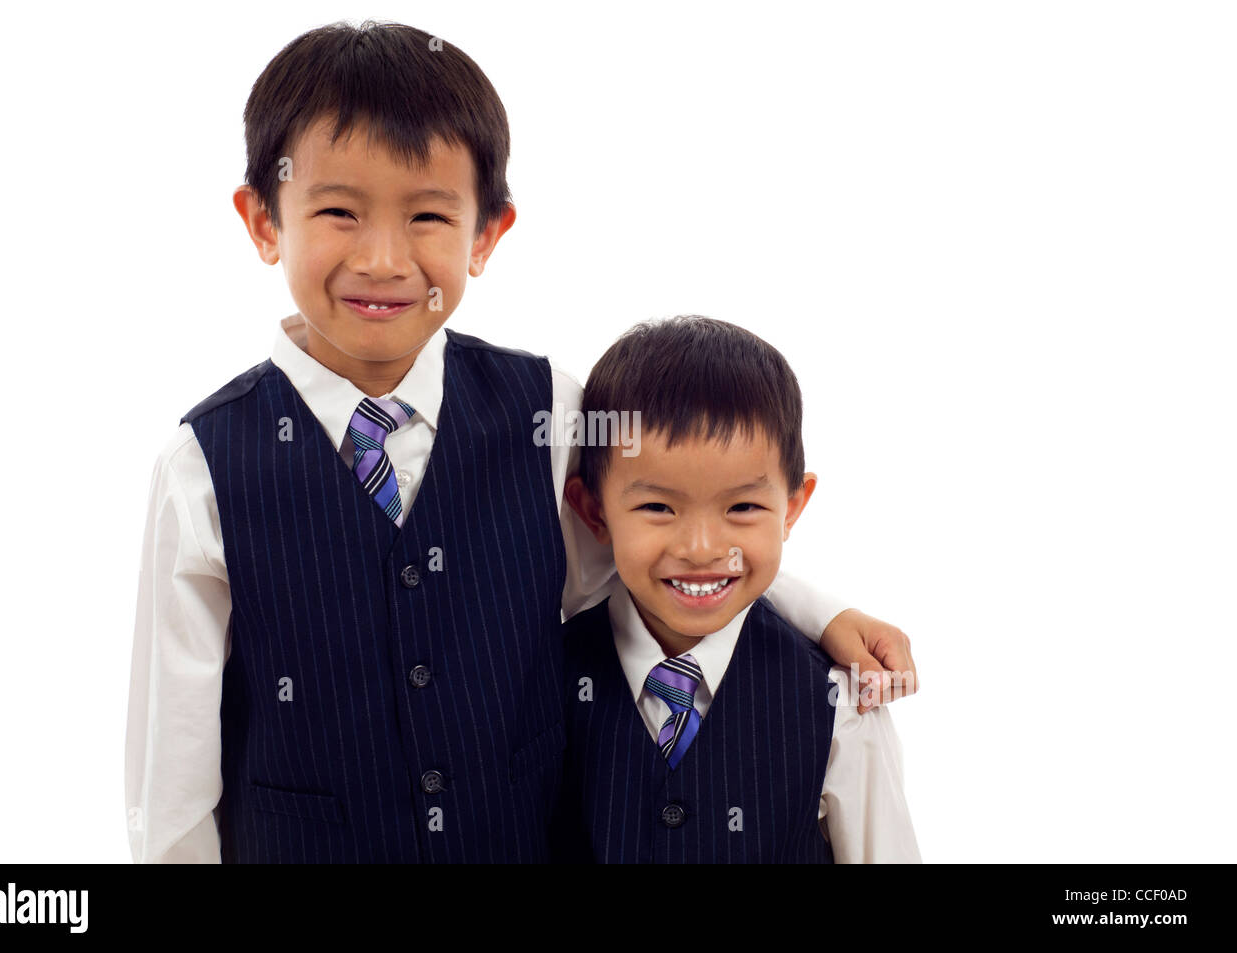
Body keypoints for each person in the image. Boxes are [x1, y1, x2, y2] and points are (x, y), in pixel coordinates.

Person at [125, 20, 918, 863]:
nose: (386, 258)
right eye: (339, 212)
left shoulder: (550, 412)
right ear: (263, 221)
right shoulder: (204, 467)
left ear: (487, 233)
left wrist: (816, 611)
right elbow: (170, 773)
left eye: (429, 214)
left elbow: (663, 534)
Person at [556, 316, 920, 862]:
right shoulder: (539, 680)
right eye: (657, 507)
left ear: (793, 507)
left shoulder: (839, 706)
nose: (702, 548)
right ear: (593, 511)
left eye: (743, 507)